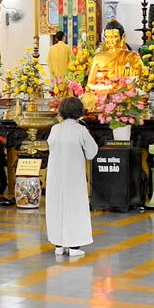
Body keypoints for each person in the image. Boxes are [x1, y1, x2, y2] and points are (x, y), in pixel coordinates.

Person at [46, 97, 98, 257]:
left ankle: (59, 245)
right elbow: (92, 152)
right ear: (79, 112)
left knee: (57, 207)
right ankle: (74, 246)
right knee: (75, 208)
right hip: (74, 176)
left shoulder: (55, 129)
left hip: (55, 176)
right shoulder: (81, 130)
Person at [86, 20, 143, 90]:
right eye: (107, 37)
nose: (110, 40)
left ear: (123, 37)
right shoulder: (98, 58)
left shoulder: (132, 56)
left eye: (114, 37)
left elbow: (138, 81)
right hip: (103, 96)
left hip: (126, 95)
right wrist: (107, 88)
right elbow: (89, 85)